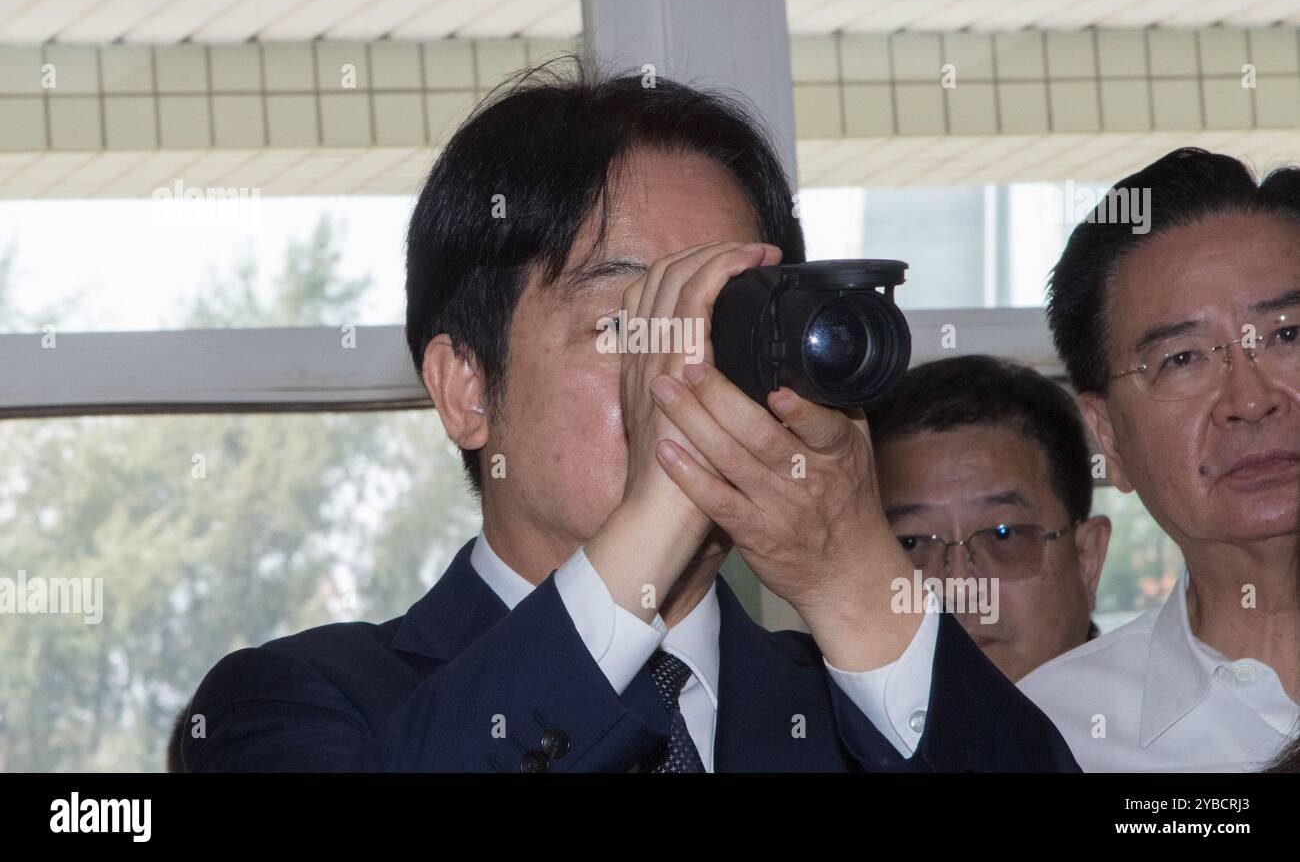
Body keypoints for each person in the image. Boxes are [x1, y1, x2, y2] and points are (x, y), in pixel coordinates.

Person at [183, 59, 1077, 773]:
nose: (685, 368)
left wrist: (849, 574)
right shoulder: (304, 701)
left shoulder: (860, 702)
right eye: (630, 323)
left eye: (723, 320)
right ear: (465, 389)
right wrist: (658, 513)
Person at [1019, 147, 1300, 771]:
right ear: (1110, 439)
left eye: (1287, 334)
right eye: (1181, 359)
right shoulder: (1050, 735)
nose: (1250, 401)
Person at [869, 355, 1110, 682]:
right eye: (911, 543)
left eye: (1003, 535)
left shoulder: (1175, 730)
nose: (957, 588)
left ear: (1088, 560)